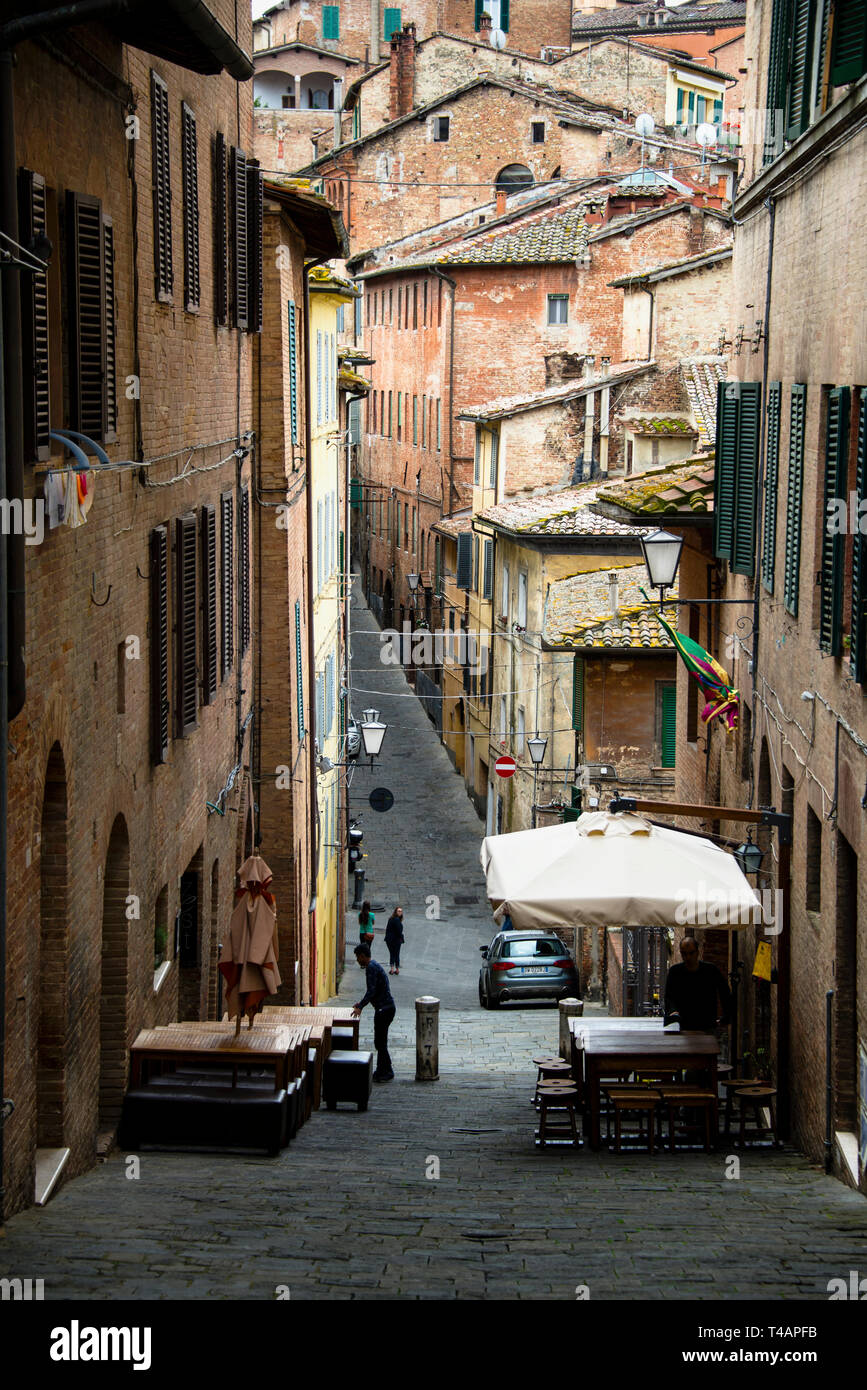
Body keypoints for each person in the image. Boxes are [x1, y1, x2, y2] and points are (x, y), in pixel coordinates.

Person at [664, 936, 732, 1032]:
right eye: (684, 954)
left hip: (707, 1024)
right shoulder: (675, 972)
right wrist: (673, 1012)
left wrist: (726, 1015)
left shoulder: (711, 970)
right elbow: (669, 997)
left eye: (691, 953)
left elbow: (724, 993)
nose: (688, 957)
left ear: (697, 952)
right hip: (684, 1024)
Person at [351, 943, 395, 1081]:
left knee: (380, 1042)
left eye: (358, 957)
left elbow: (371, 991)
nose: (357, 960)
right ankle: (383, 1070)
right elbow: (373, 991)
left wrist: (360, 1007)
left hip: (383, 1009)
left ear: (363, 956)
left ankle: (386, 1071)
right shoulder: (374, 965)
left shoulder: (371, 968)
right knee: (380, 1041)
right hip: (387, 1007)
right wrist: (360, 1003)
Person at [384, 905, 405, 974]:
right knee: (396, 954)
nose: (400, 912)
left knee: (392, 953)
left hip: (389, 940)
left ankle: (392, 969)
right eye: (399, 911)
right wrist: (402, 938)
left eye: (401, 911)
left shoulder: (391, 919)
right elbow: (399, 932)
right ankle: (396, 969)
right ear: (396, 912)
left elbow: (387, 929)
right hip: (396, 940)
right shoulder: (397, 920)